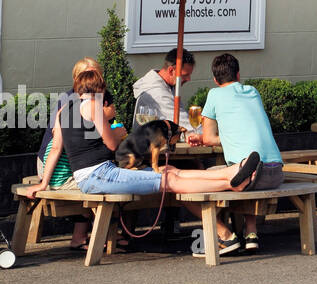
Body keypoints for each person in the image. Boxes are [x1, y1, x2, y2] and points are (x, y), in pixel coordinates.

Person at [19, 71, 262, 211]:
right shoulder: (92, 105)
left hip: (89, 176)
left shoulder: (63, 111)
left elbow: (55, 151)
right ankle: (231, 182)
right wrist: (117, 130)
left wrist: (43, 183)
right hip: (100, 174)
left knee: (170, 170)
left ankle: (233, 171)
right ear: (99, 89)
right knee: (168, 180)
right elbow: (113, 144)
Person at [188, 53, 283, 253]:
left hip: (252, 175)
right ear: (238, 75)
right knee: (241, 170)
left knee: (202, 178)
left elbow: (208, 138)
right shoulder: (252, 91)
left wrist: (202, 138)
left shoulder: (214, 95)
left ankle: (225, 236)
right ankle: (250, 232)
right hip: (275, 172)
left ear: (215, 79)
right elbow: (244, 129)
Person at [35, 58, 118, 252]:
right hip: (56, 164)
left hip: (82, 159)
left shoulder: (103, 96)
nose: (93, 79)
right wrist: (103, 116)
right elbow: (60, 139)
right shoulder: (69, 101)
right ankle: (102, 236)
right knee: (96, 181)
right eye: (88, 74)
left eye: (96, 74)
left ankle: (87, 236)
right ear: (77, 79)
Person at [133, 47, 196, 131]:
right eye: (185, 75)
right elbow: (188, 125)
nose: (189, 79)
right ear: (171, 71)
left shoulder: (168, 85)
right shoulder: (158, 93)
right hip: (149, 142)